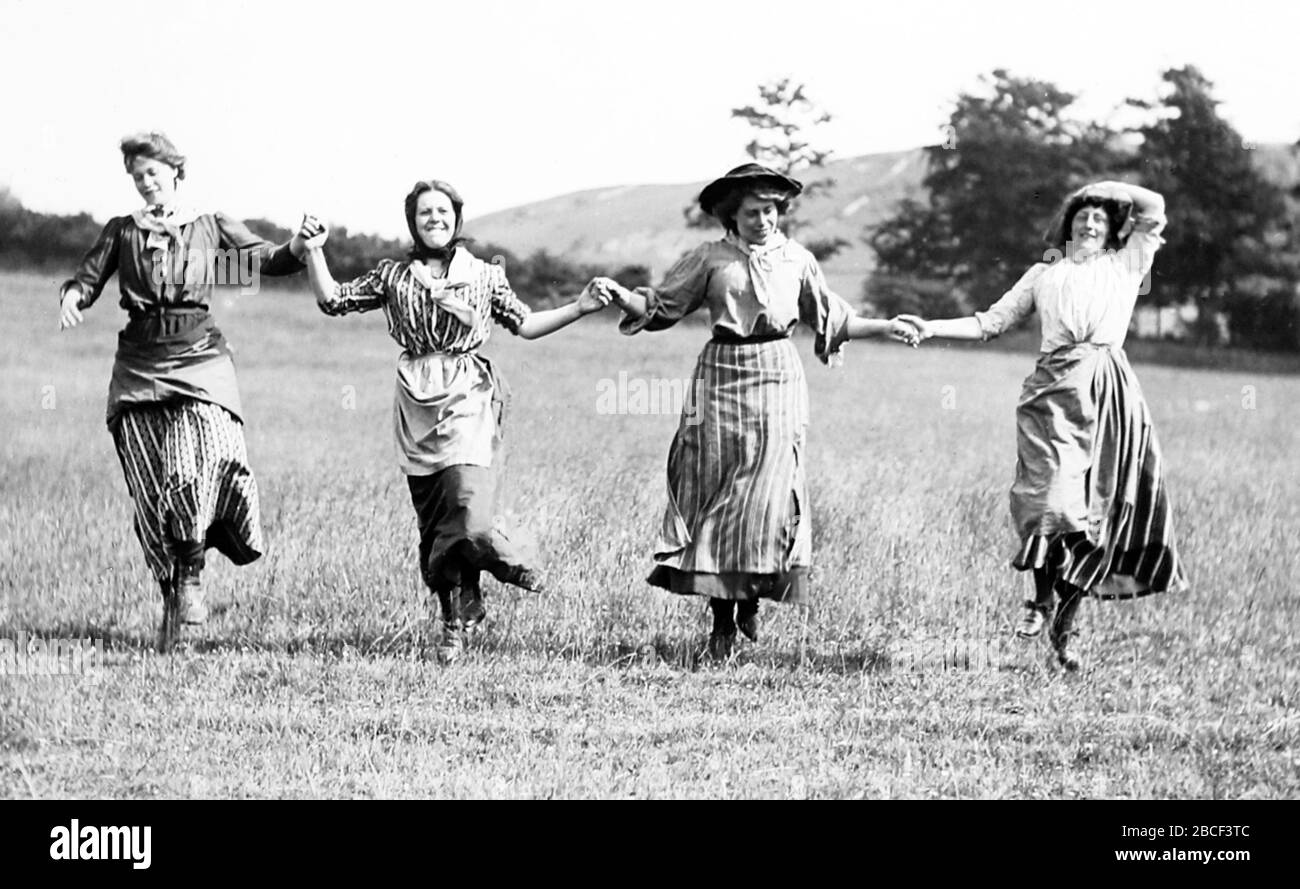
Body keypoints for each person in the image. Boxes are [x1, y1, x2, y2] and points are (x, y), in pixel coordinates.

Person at [591, 163, 920, 660]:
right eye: (751, 212)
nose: (762, 220)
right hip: (721, 374)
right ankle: (721, 622)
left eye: (770, 211)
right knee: (714, 489)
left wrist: (888, 326)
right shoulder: (710, 258)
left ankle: (752, 599)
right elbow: (662, 305)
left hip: (778, 376)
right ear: (732, 215)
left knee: (768, 494)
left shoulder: (798, 260)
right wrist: (623, 296)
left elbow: (832, 317)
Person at [299, 180, 610, 663]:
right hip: (415, 401)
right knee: (435, 519)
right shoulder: (392, 277)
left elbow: (524, 324)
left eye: (443, 211)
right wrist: (315, 252)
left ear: (457, 219)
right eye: (425, 213)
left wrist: (580, 306)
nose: (435, 219)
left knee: (470, 508)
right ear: (412, 222)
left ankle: (512, 557)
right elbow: (332, 300)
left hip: (467, 392)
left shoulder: (484, 275)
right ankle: (454, 620)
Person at [901, 180, 1188, 671]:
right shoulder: (1043, 273)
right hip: (1051, 394)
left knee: (1094, 520)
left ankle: (1066, 628)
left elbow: (1155, 207)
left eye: (1100, 217)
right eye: (1082, 214)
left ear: (1114, 226)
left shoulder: (1126, 264)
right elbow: (990, 322)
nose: (1090, 222)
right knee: (1048, 503)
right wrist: (932, 327)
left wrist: (1101, 186)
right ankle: (1040, 599)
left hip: (1107, 393)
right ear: (1068, 222)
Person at [57, 131, 316, 651]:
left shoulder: (209, 224)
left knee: (208, 455)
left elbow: (265, 259)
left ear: (176, 170)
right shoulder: (123, 231)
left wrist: (299, 247)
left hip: (199, 354)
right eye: (137, 176)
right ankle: (175, 594)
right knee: (153, 486)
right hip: (138, 362)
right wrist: (73, 297)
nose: (146, 183)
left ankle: (193, 567)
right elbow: (88, 277)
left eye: (153, 172)